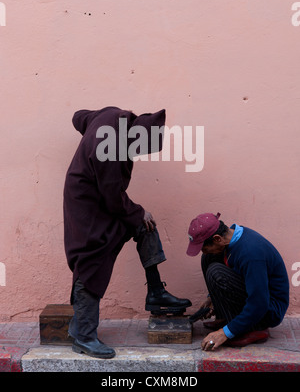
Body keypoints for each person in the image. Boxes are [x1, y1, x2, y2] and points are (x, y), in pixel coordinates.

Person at [63, 106, 191, 358]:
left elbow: (79, 116)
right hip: (87, 204)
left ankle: (156, 293)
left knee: (144, 225)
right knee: (90, 260)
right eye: (137, 149)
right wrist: (138, 211)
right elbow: (112, 197)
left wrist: (88, 132)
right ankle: (83, 335)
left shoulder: (115, 115)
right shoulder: (109, 147)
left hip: (99, 196)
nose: (137, 154)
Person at [186, 212, 289, 350]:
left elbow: (259, 303)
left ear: (217, 238)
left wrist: (225, 333)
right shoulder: (232, 237)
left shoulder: (251, 254)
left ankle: (254, 329)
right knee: (209, 258)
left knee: (216, 272)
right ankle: (228, 318)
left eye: (204, 248)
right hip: (256, 297)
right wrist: (211, 298)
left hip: (267, 310)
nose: (203, 251)